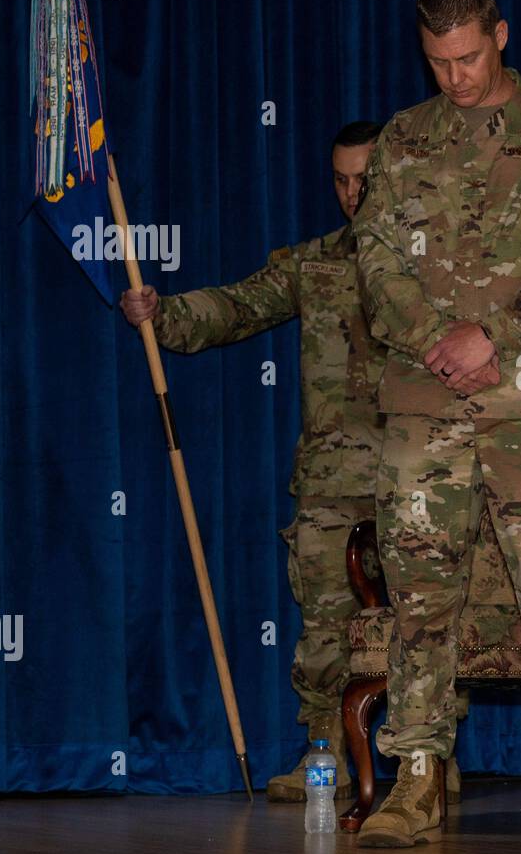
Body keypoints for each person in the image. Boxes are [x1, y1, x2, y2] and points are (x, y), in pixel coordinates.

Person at [353, 0, 521, 849]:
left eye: (468, 57)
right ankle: (418, 775)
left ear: (501, 35)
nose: (456, 77)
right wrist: (440, 336)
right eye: (438, 62)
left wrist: (494, 336)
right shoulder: (401, 140)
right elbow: (376, 260)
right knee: (420, 594)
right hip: (425, 402)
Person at [120, 122, 397, 803]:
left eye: (365, 178)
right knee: (328, 628)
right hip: (332, 481)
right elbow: (240, 305)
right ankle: (325, 754)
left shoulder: (436, 266)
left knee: (424, 630)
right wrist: (164, 313)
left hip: (420, 480)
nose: (352, 193)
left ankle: (424, 765)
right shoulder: (315, 264)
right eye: (340, 179)